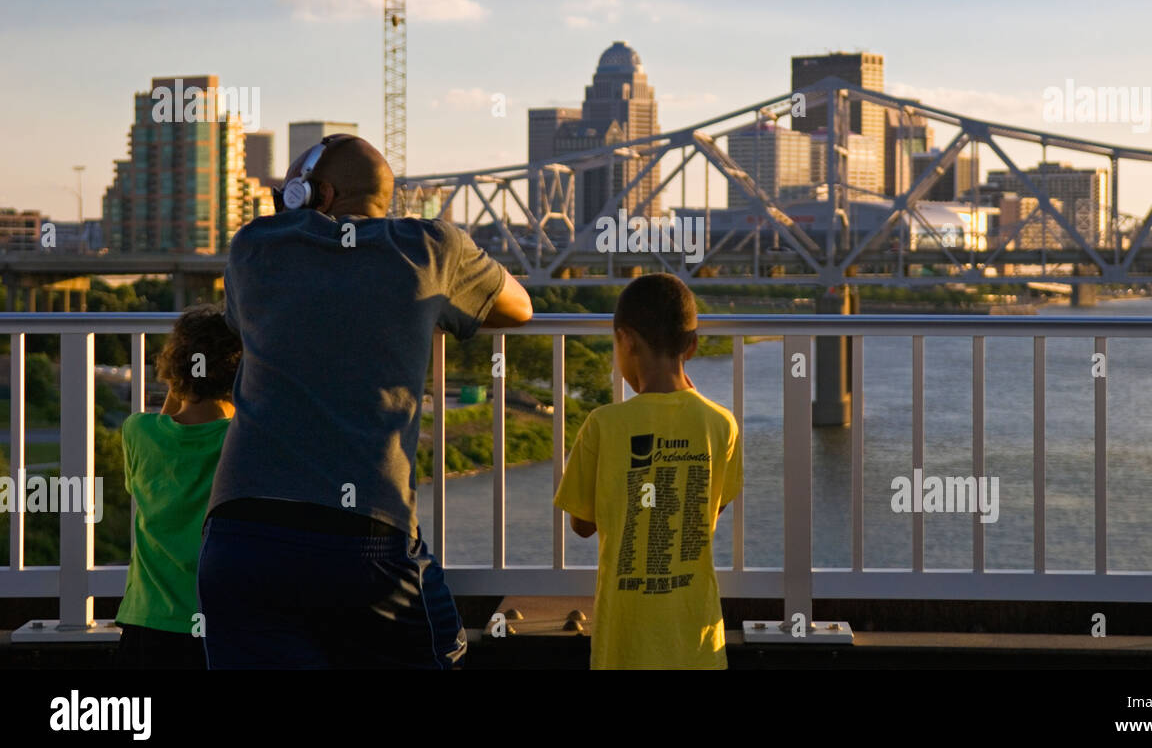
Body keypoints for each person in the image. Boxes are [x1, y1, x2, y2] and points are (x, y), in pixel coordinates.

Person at [197, 134, 532, 669]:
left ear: (319, 194)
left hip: (241, 534)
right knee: (441, 646)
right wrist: (435, 298)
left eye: (291, 191)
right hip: (365, 537)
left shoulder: (252, 246)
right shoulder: (431, 248)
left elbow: (247, 321)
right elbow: (520, 308)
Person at [554, 273, 742, 669]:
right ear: (690, 346)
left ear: (625, 340)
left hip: (624, 643)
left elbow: (582, 525)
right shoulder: (721, 424)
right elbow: (706, 518)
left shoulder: (603, 425)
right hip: (698, 640)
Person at [116, 304, 241, 670]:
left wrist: (180, 378)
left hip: (146, 622)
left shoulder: (138, 432)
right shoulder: (241, 440)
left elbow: (167, 423)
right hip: (216, 621)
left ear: (174, 370)